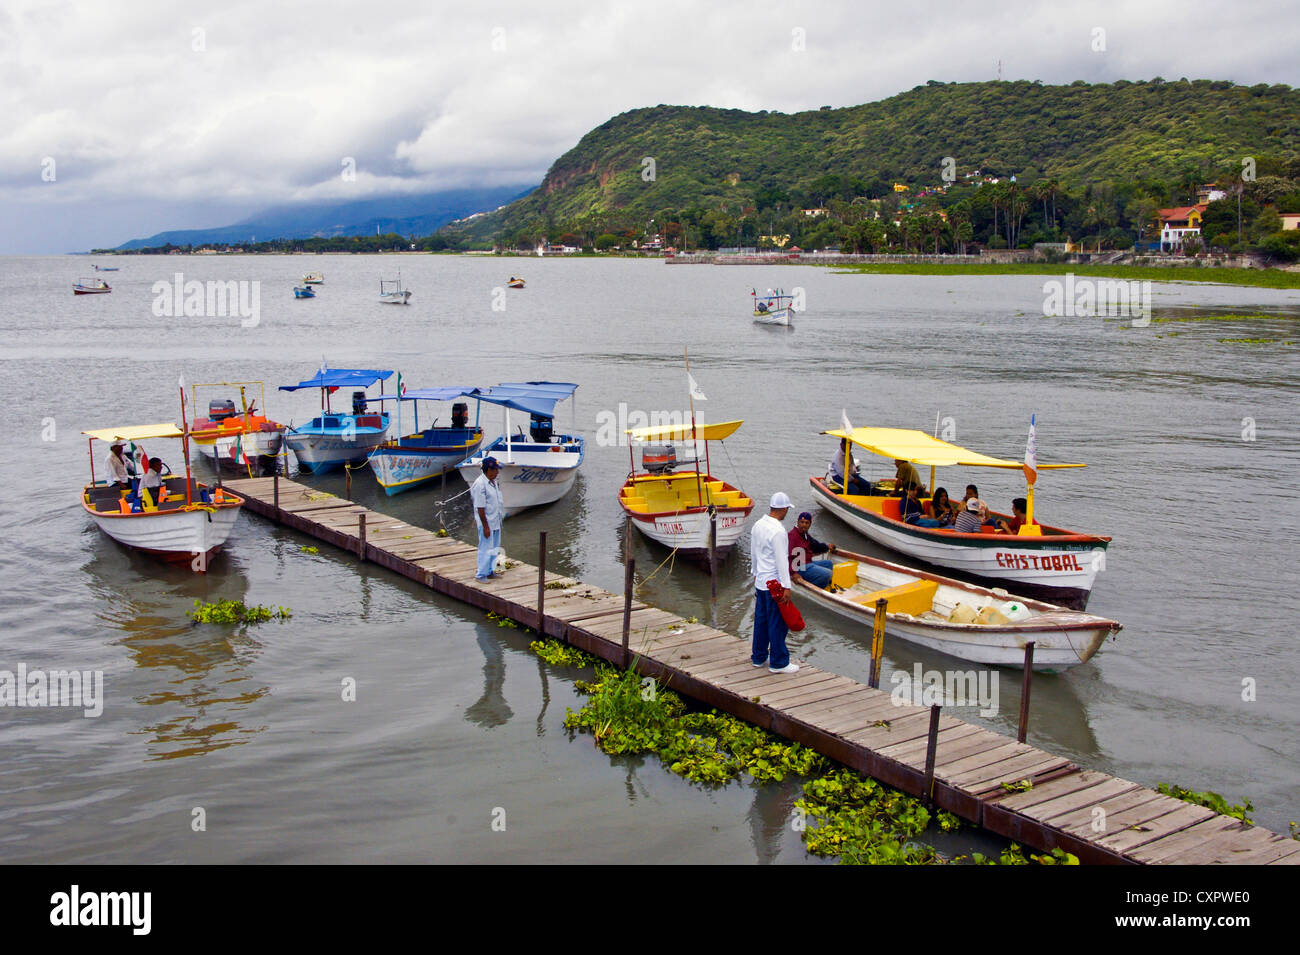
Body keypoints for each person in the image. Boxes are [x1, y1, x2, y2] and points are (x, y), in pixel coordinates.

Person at [750, 492, 798, 674]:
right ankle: (778, 662)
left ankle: (758, 657)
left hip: (761, 581)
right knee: (777, 622)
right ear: (784, 509)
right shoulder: (778, 531)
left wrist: (754, 573)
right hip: (775, 584)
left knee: (761, 621)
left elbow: (753, 553)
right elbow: (782, 561)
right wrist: (787, 586)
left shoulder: (757, 525)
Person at [470, 457, 505, 580]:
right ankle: (481, 574)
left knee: (495, 547)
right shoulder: (480, 484)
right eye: (496, 470)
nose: (497, 472)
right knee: (485, 548)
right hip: (487, 522)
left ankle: (491, 571)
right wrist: (485, 526)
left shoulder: (493, 482)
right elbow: (480, 507)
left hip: (495, 521)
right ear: (489, 470)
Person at [788, 511, 837, 589]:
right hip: (799, 567)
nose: (804, 525)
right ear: (798, 522)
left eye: (807, 523)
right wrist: (793, 573)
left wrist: (827, 547)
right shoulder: (792, 536)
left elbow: (816, 545)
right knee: (827, 573)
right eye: (802, 522)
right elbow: (789, 557)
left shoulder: (805, 535)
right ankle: (812, 589)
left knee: (828, 563)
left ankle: (825, 585)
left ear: (810, 524)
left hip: (808, 563)